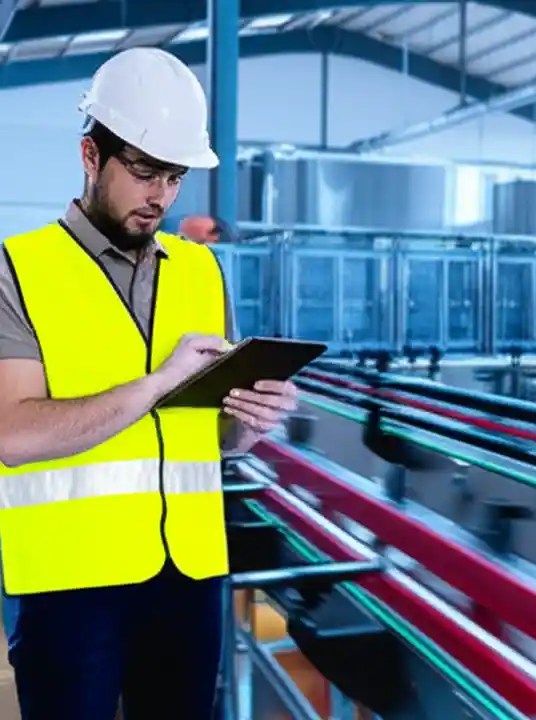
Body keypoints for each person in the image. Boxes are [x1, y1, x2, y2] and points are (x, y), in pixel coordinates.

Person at [0, 47, 297, 719]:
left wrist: (249, 422)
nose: (160, 194)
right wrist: (157, 383)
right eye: (142, 172)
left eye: (174, 175)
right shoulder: (19, 270)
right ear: (89, 156)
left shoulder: (201, 271)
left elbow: (211, 437)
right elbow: (11, 433)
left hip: (190, 578)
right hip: (69, 585)